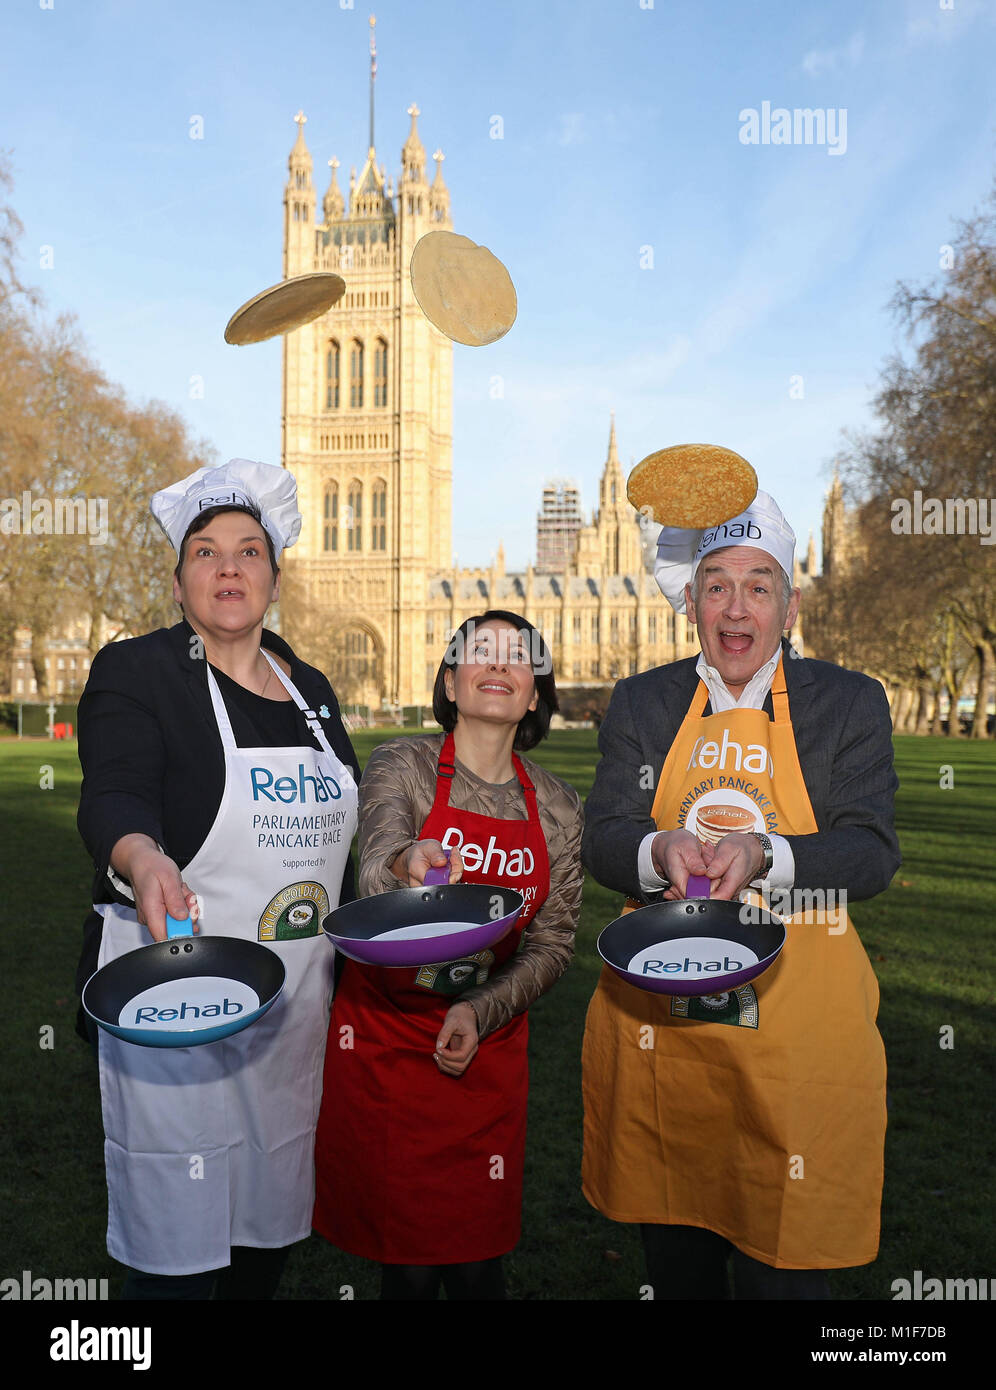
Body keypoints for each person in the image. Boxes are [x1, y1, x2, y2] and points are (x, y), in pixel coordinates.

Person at [580, 490, 900, 1300]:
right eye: (717, 585)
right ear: (691, 602)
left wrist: (766, 856)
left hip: (800, 1046)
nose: (736, 608)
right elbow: (604, 835)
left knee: (783, 1274)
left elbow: (869, 852)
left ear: (789, 604)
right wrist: (660, 848)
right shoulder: (643, 703)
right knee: (679, 1267)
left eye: (759, 586)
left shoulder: (847, 703)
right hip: (669, 1046)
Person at [76, 459, 359, 1300]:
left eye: (247, 551)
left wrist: (397, 862)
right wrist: (144, 856)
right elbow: (115, 791)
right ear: (180, 582)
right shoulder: (139, 671)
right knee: (179, 1269)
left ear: (274, 574)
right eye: (206, 552)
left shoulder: (310, 689)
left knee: (262, 1249)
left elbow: (340, 834)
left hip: (292, 1014)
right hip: (178, 1011)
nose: (228, 568)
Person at [313, 610, 583, 1300]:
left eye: (517, 657)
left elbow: (553, 942)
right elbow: (373, 868)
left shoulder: (557, 808)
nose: (497, 664)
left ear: (533, 694)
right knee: (407, 1266)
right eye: (479, 651)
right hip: (390, 1046)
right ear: (451, 681)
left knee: (476, 1262)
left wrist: (481, 1008)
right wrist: (408, 860)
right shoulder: (400, 764)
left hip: (486, 1051)